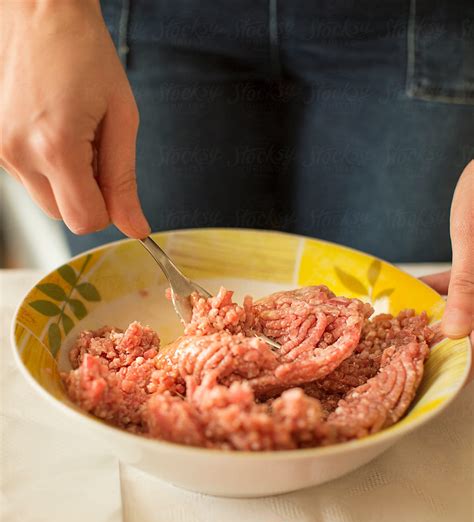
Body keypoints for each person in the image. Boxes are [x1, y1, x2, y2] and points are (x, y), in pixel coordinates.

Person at [1, 0, 472, 349]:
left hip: (426, 22)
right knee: (113, 283)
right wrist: (41, 12)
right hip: (148, 18)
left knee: (419, 317)